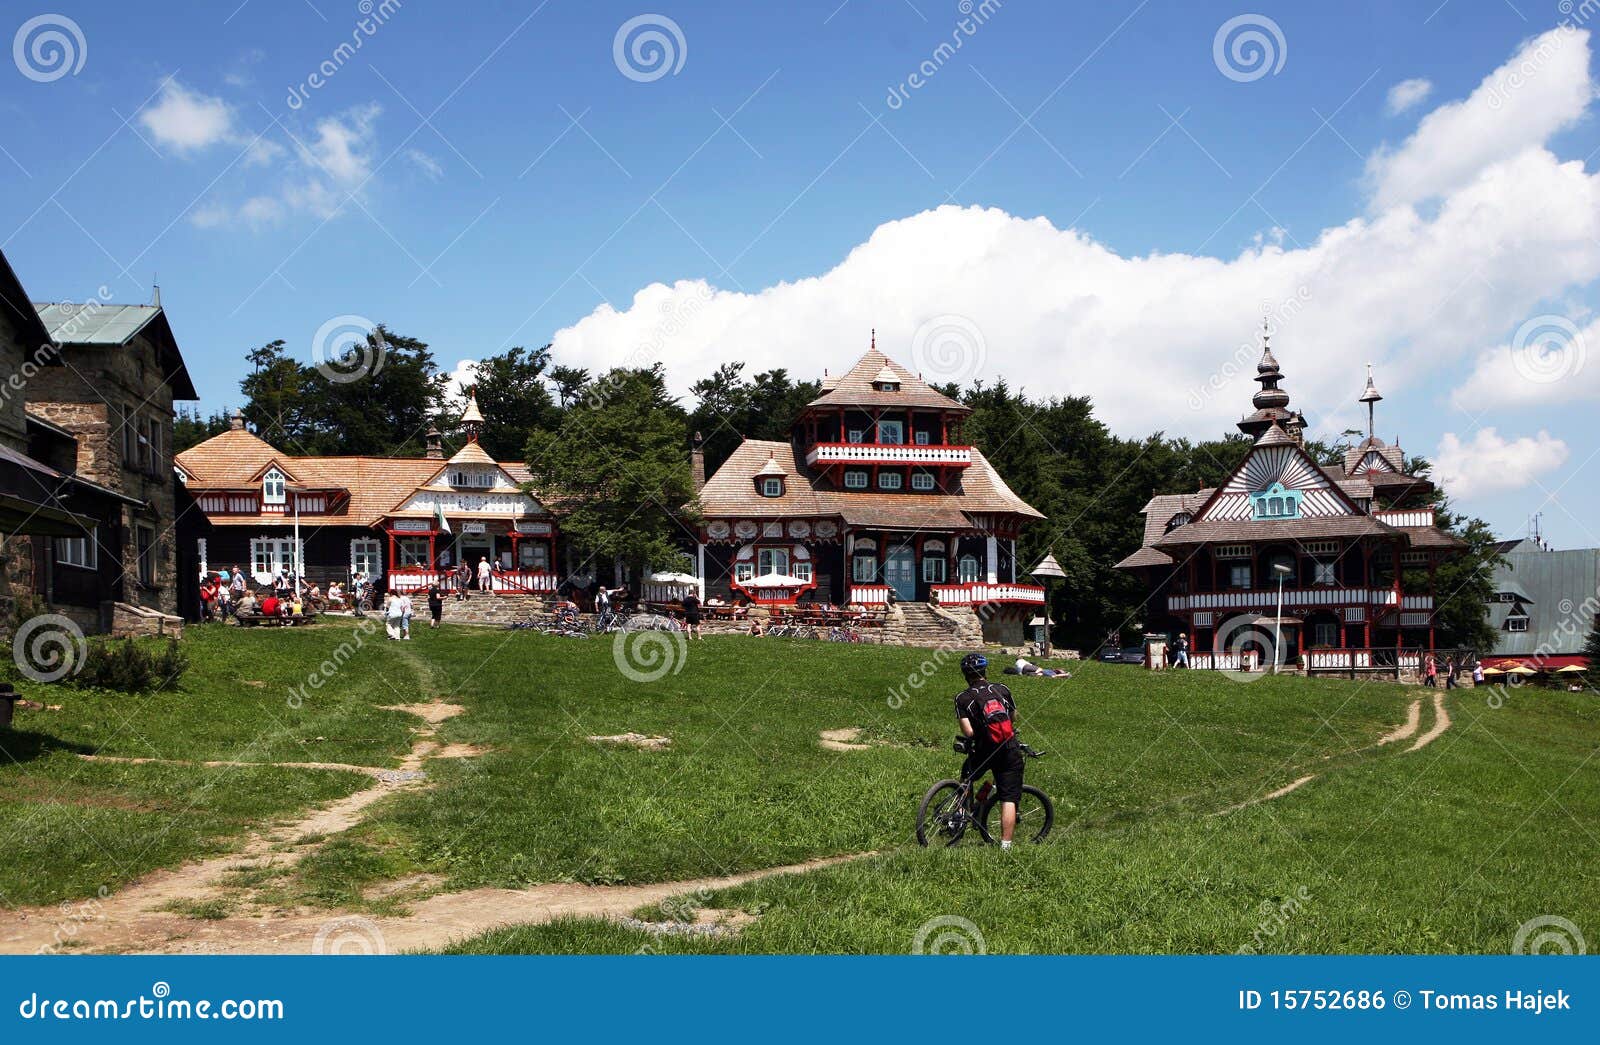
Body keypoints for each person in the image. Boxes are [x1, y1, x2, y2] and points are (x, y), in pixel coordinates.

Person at [953, 653, 1025, 851]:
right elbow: (1013, 717)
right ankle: (1005, 847)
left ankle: (959, 814)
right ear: (985, 671)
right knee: (1008, 797)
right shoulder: (1002, 689)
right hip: (1008, 748)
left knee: (968, 776)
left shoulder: (963, 698)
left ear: (965, 675)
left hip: (984, 750)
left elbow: (968, 731)